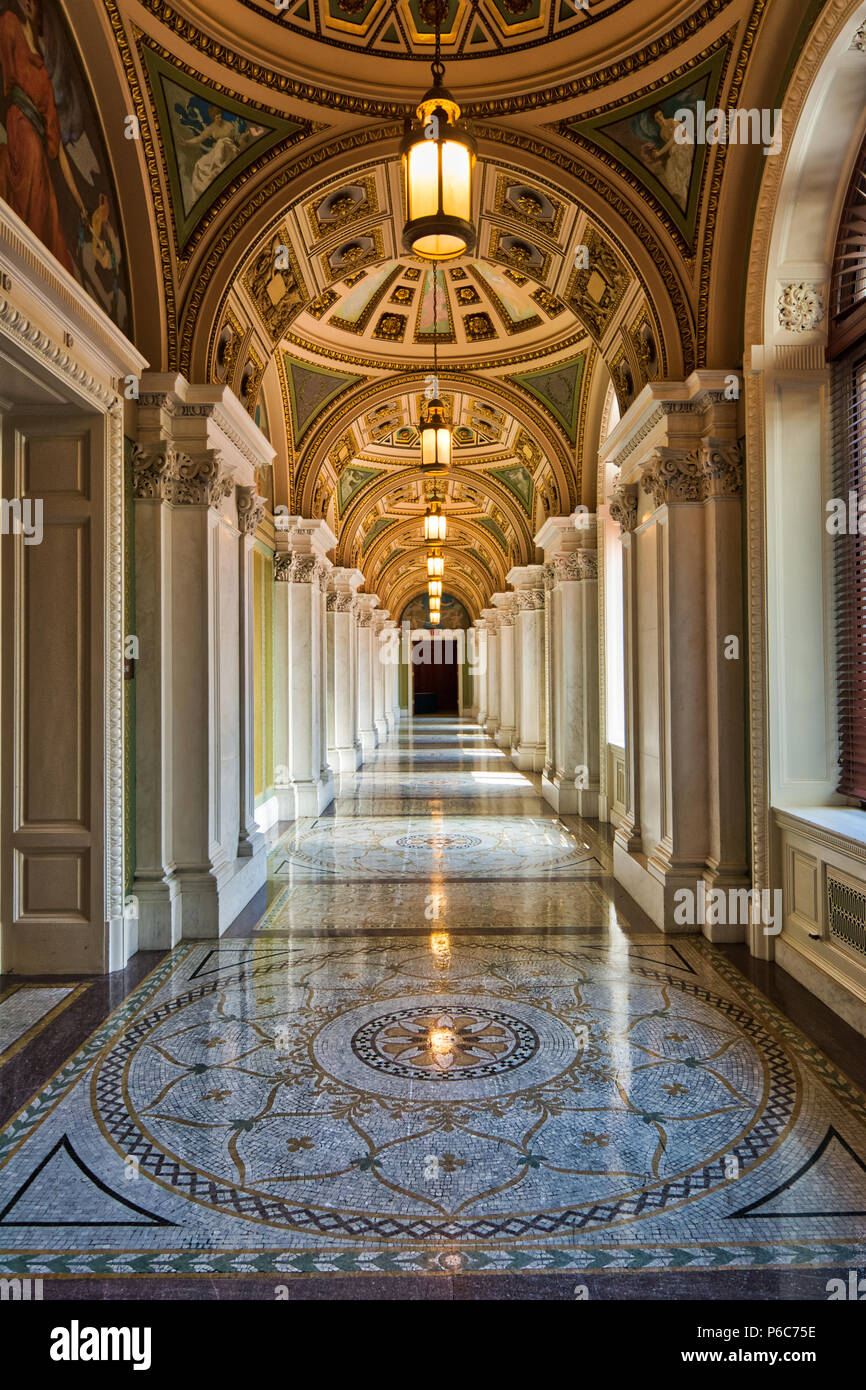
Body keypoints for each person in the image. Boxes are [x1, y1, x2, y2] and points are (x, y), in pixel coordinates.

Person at [0, 0, 86, 273]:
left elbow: (57, 148)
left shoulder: (45, 77)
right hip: (18, 128)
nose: (27, 1)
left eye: (33, 1)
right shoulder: (8, 25)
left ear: (37, 11)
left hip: (34, 148)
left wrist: (78, 199)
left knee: (42, 222)